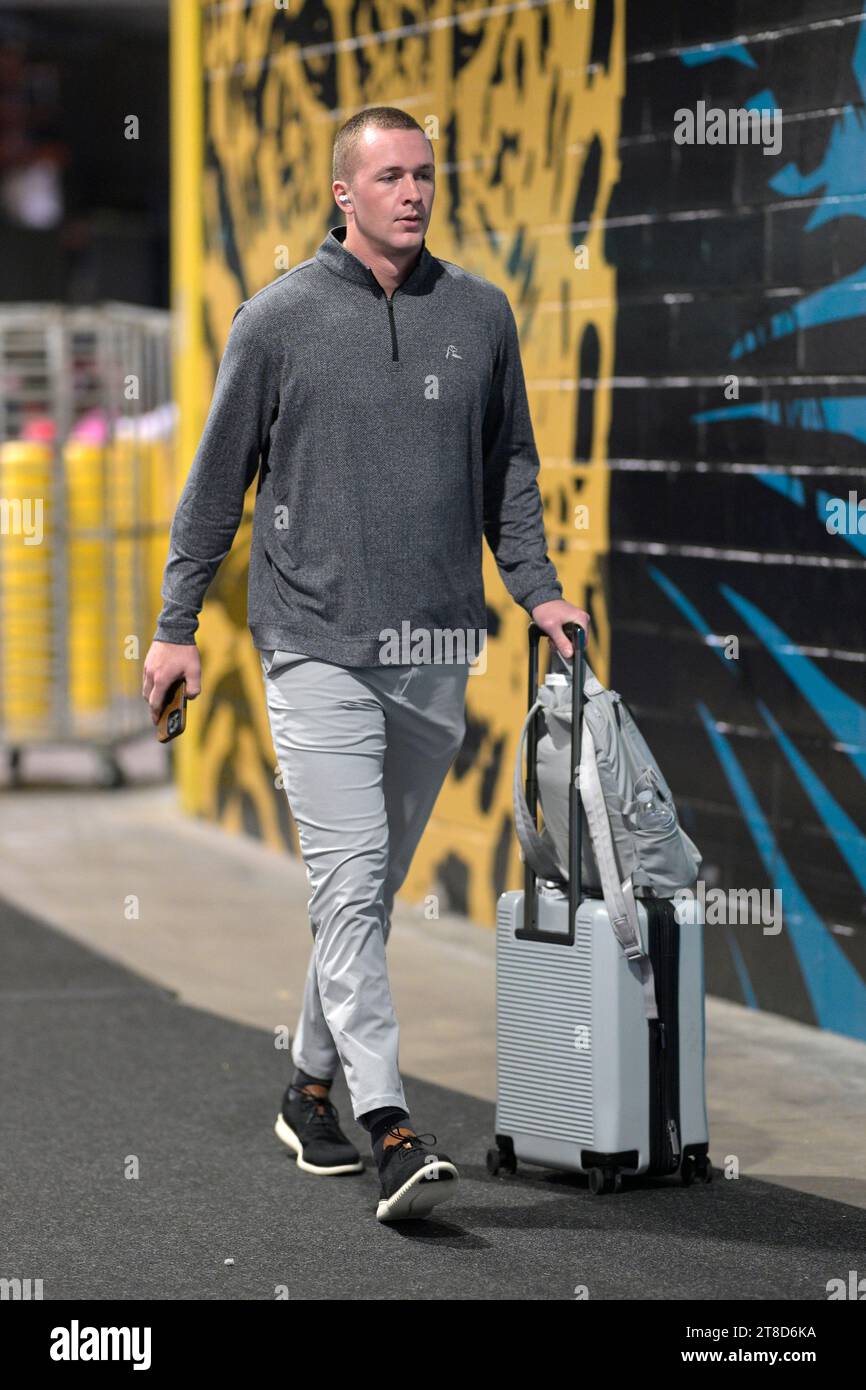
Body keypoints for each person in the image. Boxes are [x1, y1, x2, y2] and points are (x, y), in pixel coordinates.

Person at [142, 105, 590, 1223]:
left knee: (365, 893)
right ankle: (388, 1125)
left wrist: (536, 589)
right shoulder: (278, 319)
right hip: (314, 645)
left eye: (425, 174)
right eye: (389, 175)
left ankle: (305, 1088)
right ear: (343, 192)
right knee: (348, 887)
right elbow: (214, 489)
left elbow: (510, 472)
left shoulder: (478, 315)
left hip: (436, 648)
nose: (413, 192)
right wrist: (175, 622)